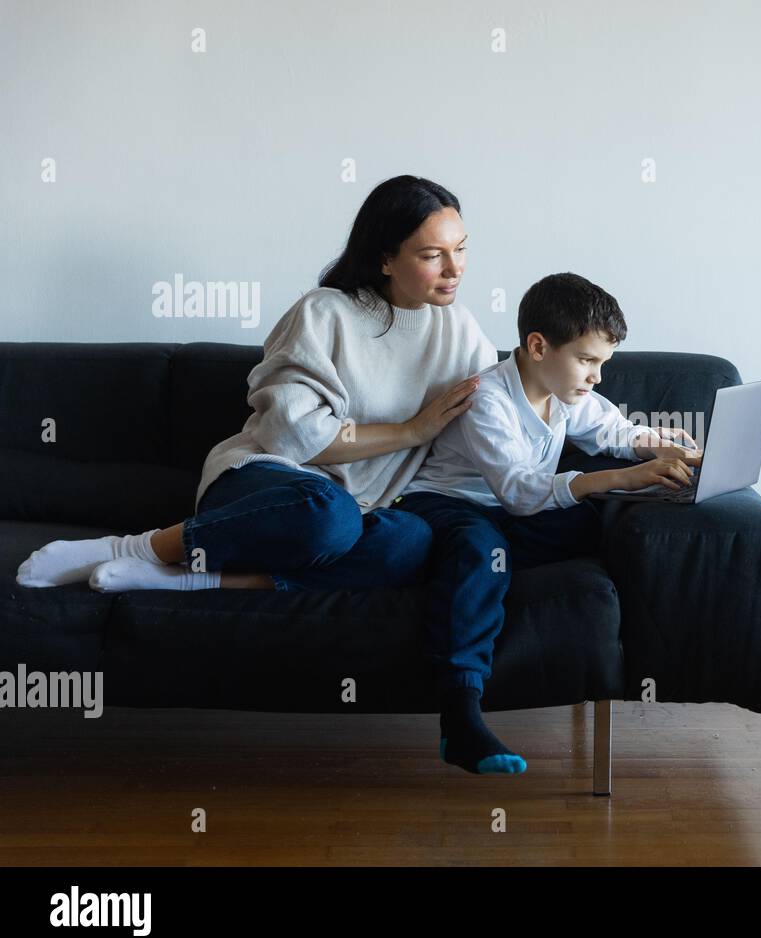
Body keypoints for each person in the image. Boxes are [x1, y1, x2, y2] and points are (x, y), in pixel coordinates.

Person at [16, 175, 498, 593]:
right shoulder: (326, 313)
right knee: (328, 512)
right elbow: (292, 435)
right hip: (268, 483)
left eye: (461, 248)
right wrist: (412, 431)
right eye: (433, 255)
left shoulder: (463, 333)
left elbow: (499, 412)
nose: (455, 269)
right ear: (386, 260)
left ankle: (196, 579)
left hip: (356, 515)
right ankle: (137, 547)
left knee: (409, 542)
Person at [392, 272, 700, 775]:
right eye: (587, 360)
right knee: (480, 553)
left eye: (602, 362)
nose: (596, 376)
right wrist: (621, 477)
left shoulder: (563, 392)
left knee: (604, 511)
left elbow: (613, 429)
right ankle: (461, 719)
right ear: (538, 346)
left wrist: (669, 449)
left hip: (513, 512)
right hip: (449, 505)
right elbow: (516, 488)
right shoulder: (486, 399)